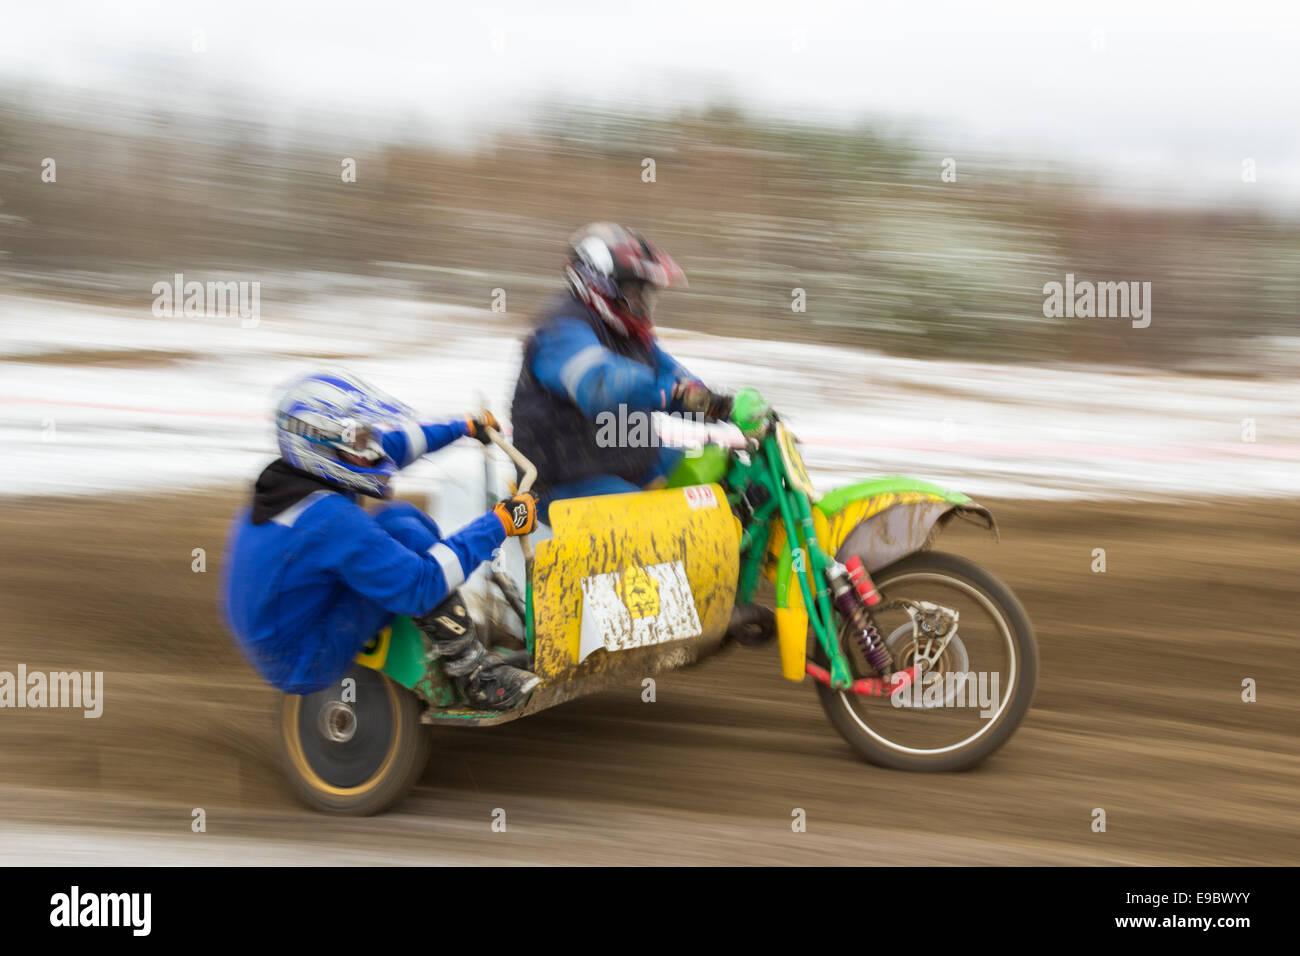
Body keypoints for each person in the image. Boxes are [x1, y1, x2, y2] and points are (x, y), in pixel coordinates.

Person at [221, 370, 540, 710]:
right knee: (408, 543)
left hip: (278, 627)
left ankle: (453, 633)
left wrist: (463, 426)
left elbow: (399, 445)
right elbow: (422, 584)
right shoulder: (328, 520)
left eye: (365, 433)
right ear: (316, 443)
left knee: (401, 520)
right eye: (357, 438)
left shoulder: (305, 473)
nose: (370, 446)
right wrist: (500, 523)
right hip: (299, 659)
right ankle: (476, 677)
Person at [509, 222, 734, 520]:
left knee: (723, 470)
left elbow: (675, 379)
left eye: (646, 294)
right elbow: (599, 385)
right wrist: (667, 393)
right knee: (654, 524)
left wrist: (723, 408)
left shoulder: (631, 334)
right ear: (601, 284)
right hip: (564, 484)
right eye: (636, 292)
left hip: (630, 461)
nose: (643, 303)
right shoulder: (559, 329)